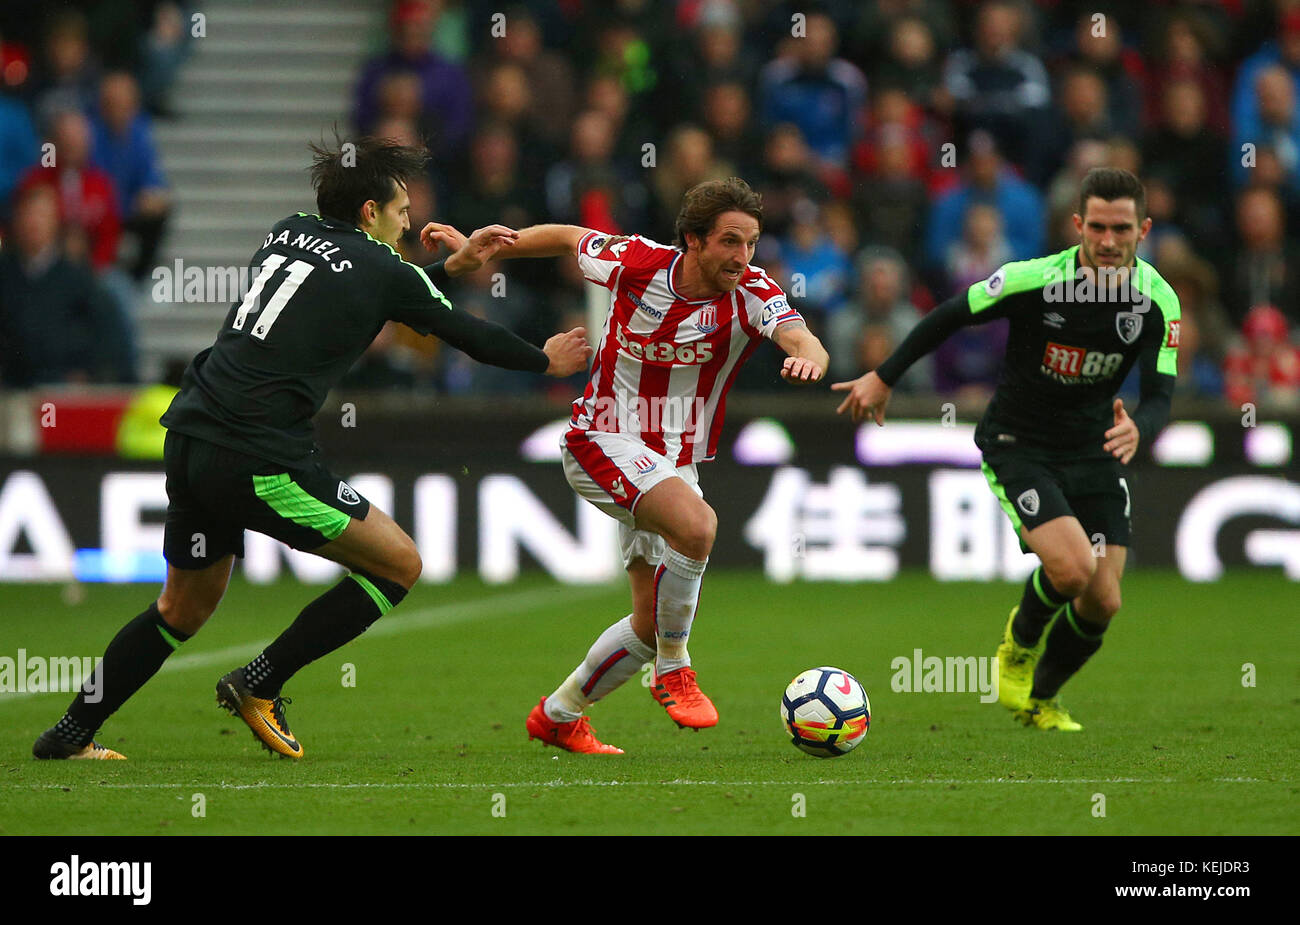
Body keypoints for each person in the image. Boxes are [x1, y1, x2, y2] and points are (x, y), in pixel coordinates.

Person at [32, 137, 591, 760]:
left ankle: (71, 733)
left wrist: (447, 273)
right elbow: (468, 334)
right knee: (398, 564)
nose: (408, 221)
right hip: (258, 453)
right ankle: (259, 682)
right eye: (401, 209)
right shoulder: (387, 270)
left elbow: (351, 292)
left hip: (192, 433)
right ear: (369, 213)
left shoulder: (288, 230)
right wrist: (546, 359)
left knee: (181, 606)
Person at [424, 177, 829, 753]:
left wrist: (807, 358)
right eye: (730, 242)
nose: (742, 257)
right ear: (693, 240)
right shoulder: (638, 263)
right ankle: (674, 668)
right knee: (699, 528)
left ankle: (560, 714)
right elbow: (569, 237)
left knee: (646, 623)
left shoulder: (753, 294)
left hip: (672, 465)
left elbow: (804, 338)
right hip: (600, 438)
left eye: (751, 243)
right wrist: (494, 247)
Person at [833, 168, 1180, 732]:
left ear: (1143, 229)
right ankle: (1017, 648)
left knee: (1104, 601)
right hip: (1020, 444)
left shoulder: (1158, 301)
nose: (1109, 241)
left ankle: (1041, 697)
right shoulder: (1032, 280)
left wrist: (1143, 427)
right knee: (1071, 572)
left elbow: (1163, 395)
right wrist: (884, 376)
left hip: (1095, 449)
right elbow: (951, 315)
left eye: (1122, 228)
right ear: (1078, 225)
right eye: (1097, 227)